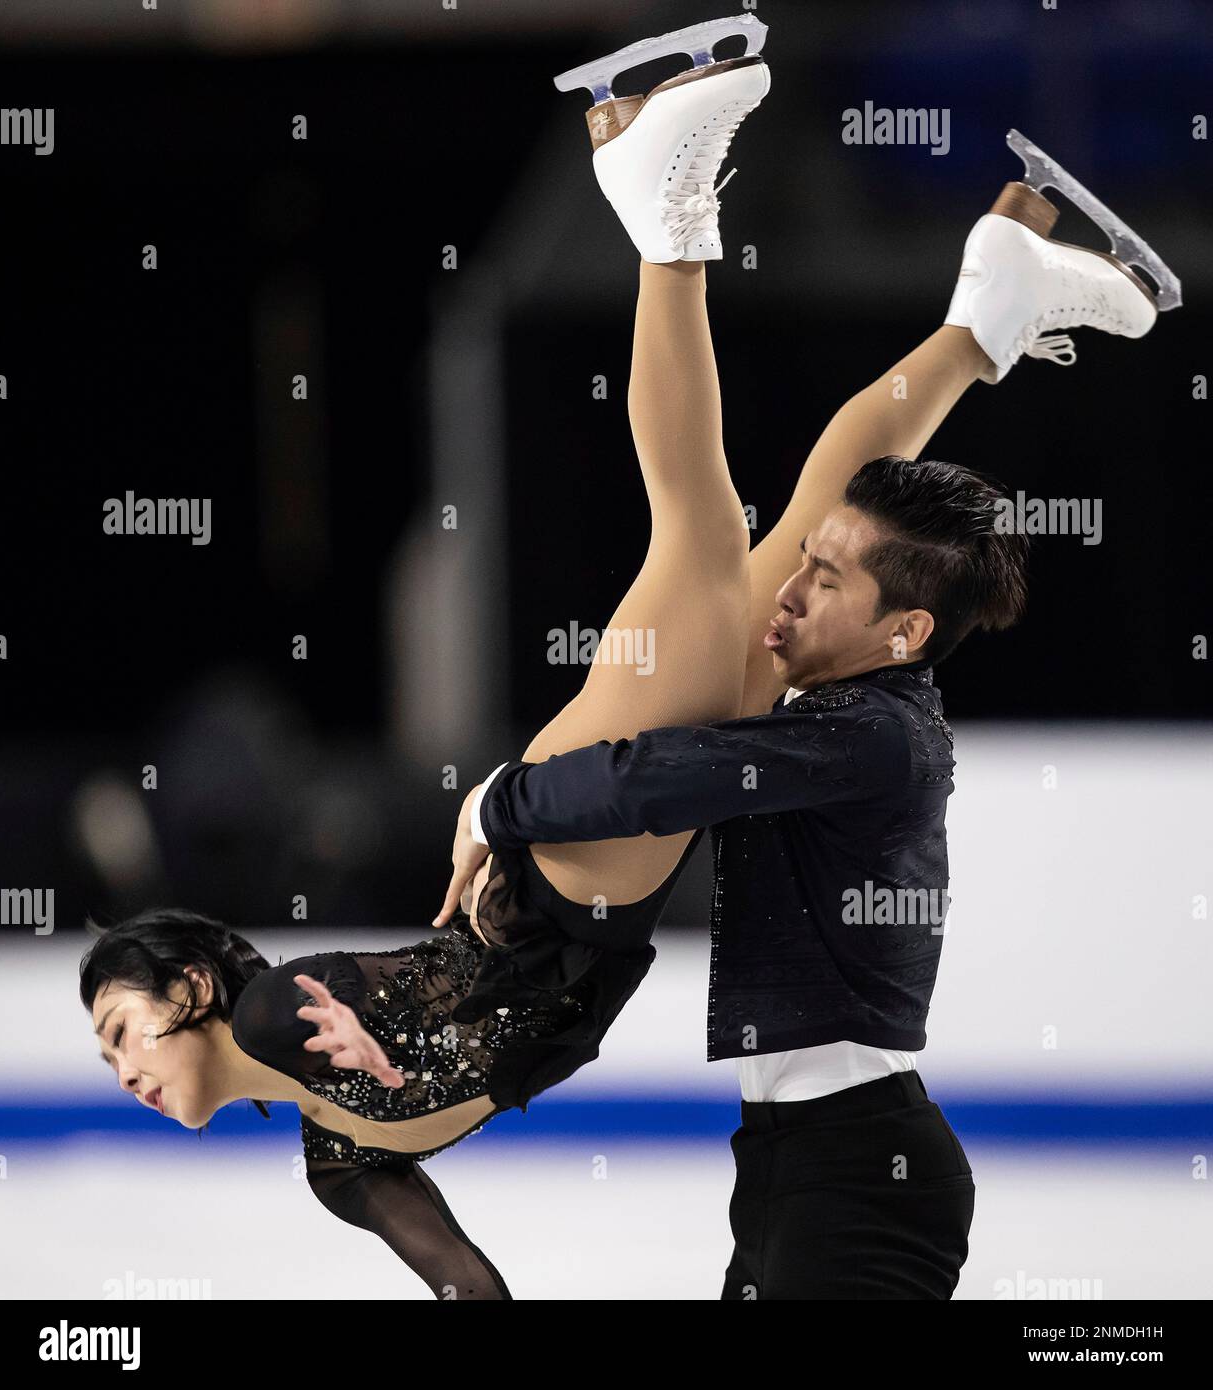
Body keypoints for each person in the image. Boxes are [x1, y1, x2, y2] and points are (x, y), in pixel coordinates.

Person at [435, 27, 1178, 1302]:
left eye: (831, 584)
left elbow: (663, 777)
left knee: (715, 538)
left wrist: (503, 799)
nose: (801, 588)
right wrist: (499, 801)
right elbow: (658, 780)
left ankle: (964, 307)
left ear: (898, 633)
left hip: (827, 1155)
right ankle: (696, 223)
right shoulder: (860, 717)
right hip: (836, 1160)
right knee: (713, 537)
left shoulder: (855, 718)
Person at [81, 39, 774, 1301]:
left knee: (712, 544)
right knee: (748, 568)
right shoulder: (336, 1163)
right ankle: (673, 182)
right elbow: (473, 1289)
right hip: (573, 891)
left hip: (564, 876)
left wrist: (364, 1037)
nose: (120, 1068)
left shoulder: (269, 1016)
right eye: (110, 1045)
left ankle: (667, 210)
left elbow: (321, 1011)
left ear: (195, 988)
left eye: (121, 1031)